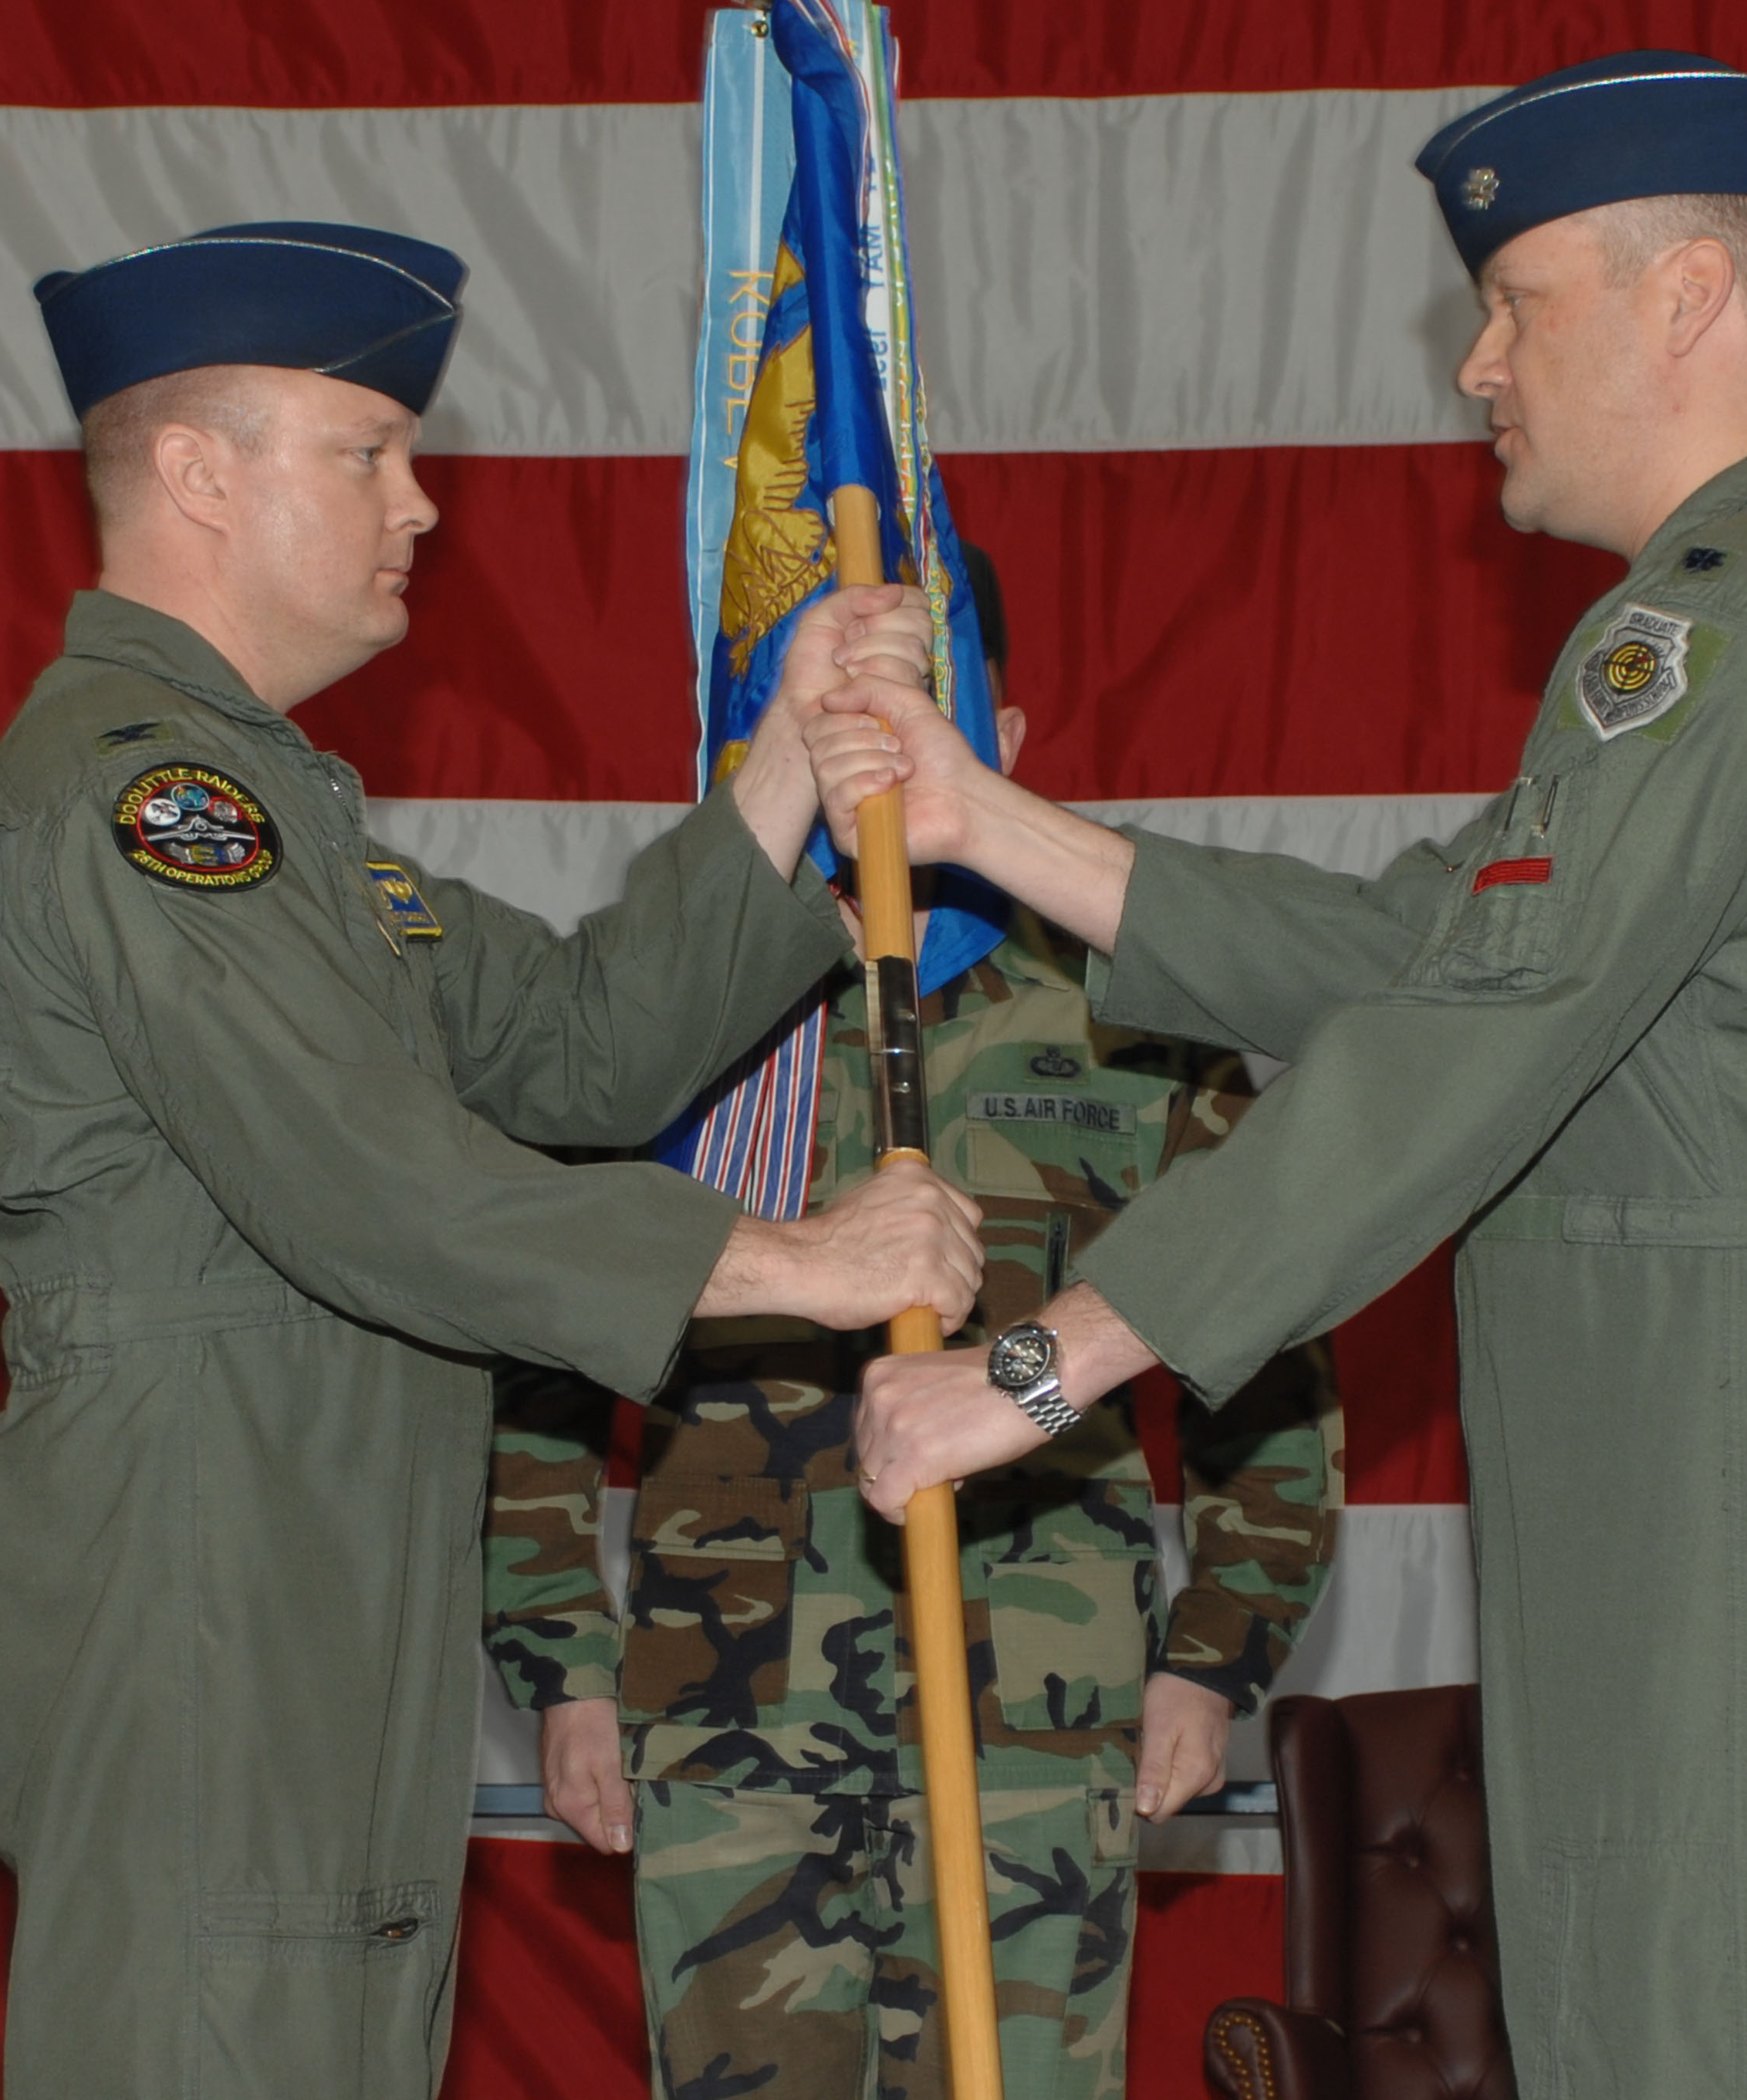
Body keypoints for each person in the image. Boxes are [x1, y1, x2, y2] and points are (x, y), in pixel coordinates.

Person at [813, 56, 1747, 2100]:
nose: (1476, 364)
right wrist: (983, 822)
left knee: (1717, 2035)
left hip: (1729, 1449)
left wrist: (1048, 1366)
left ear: (1687, 297)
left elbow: (1475, 1032)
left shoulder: (1733, 633)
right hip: (1700, 1432)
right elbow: (1421, 952)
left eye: (1515, 301)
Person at [0, 220, 985, 2100]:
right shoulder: (147, 797)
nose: (419, 504)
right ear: (199, 472)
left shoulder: (288, 815)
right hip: (205, 1542)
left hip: (320, 1531)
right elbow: (373, 1185)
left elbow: (583, 1042)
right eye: (368, 452)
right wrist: (795, 1264)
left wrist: (789, 751)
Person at [484, 546, 1342, 2100]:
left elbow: (1256, 1345)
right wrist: (566, 1667)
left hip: (1040, 1713)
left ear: (997, 729)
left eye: (917, 706)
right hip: (728, 1717)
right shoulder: (665, 1013)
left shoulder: (1131, 1008)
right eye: (835, 709)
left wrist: (1215, 1658)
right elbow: (546, 1343)